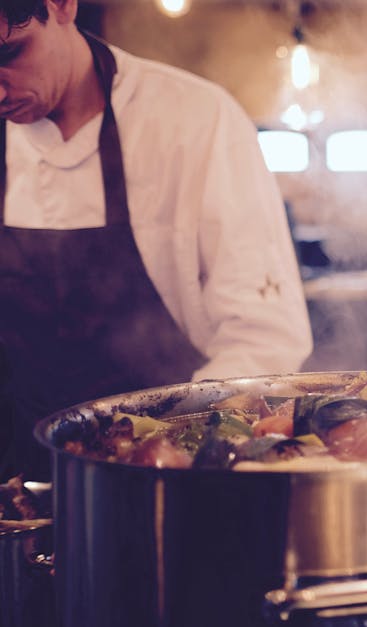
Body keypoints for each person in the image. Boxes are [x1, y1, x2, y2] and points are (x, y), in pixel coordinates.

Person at [0, 0, 313, 480]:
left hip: (164, 485)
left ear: (62, 5)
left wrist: (176, 455)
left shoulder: (193, 121)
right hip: (17, 493)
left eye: (11, 52)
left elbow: (263, 337)